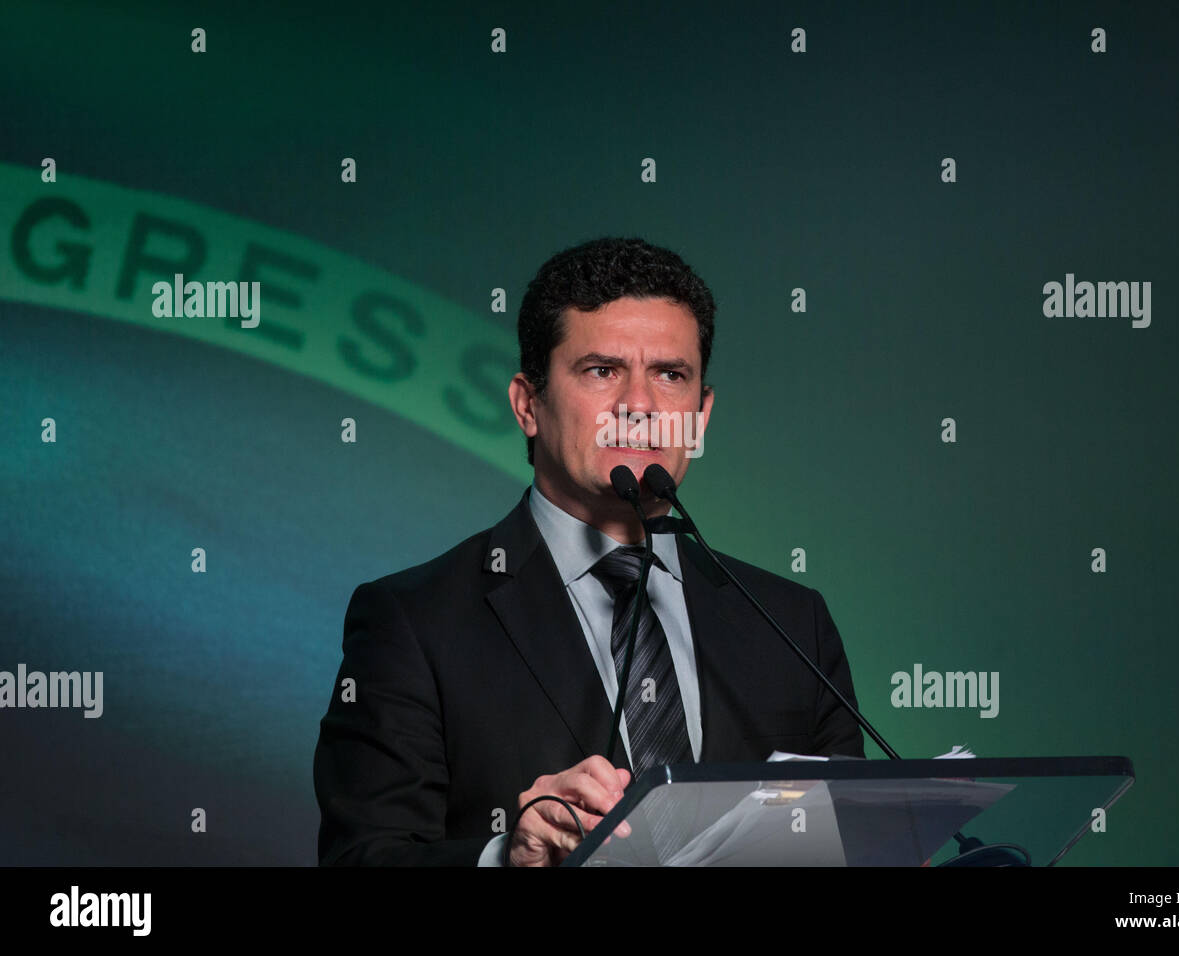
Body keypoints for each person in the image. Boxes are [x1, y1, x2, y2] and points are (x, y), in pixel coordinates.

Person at [313, 237, 865, 867]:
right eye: (602, 371)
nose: (639, 407)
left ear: (701, 414)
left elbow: (852, 844)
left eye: (670, 375)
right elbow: (361, 860)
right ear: (528, 405)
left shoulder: (795, 626)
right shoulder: (412, 621)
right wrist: (506, 856)